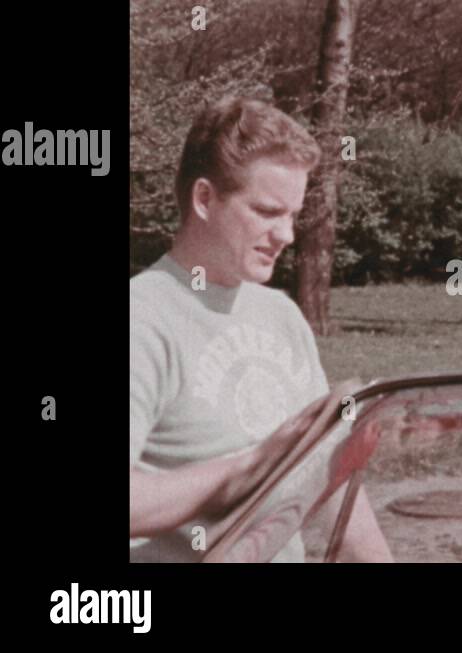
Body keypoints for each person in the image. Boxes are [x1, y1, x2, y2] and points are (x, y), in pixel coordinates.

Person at [130, 97, 392, 562]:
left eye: (292, 215)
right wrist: (250, 467)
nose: (288, 235)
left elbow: (331, 485)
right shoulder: (143, 317)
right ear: (205, 199)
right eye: (269, 212)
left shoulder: (282, 316)